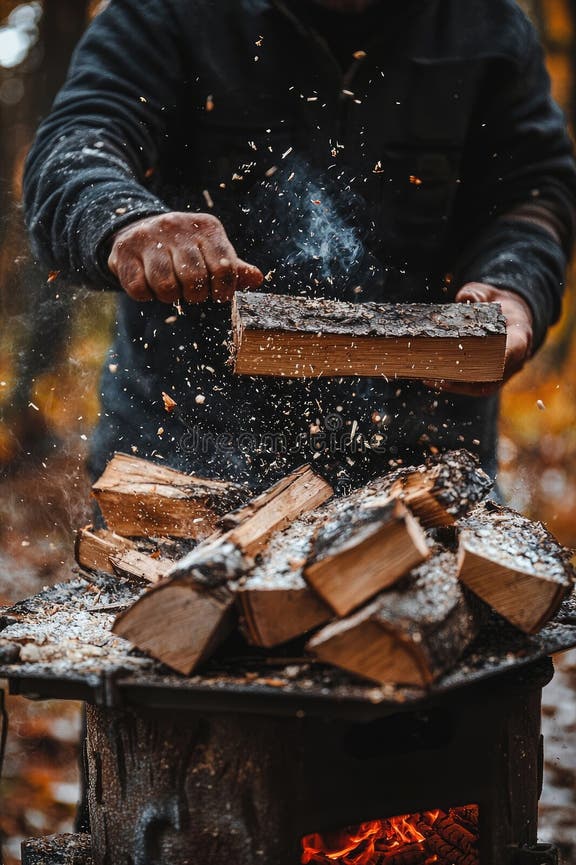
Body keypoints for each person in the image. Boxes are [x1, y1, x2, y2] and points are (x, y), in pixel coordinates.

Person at [23, 0, 576, 492]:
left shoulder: (488, 24)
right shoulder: (166, 13)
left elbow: (534, 191)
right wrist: (127, 223)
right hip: (186, 458)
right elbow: (77, 146)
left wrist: (515, 286)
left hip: (423, 468)